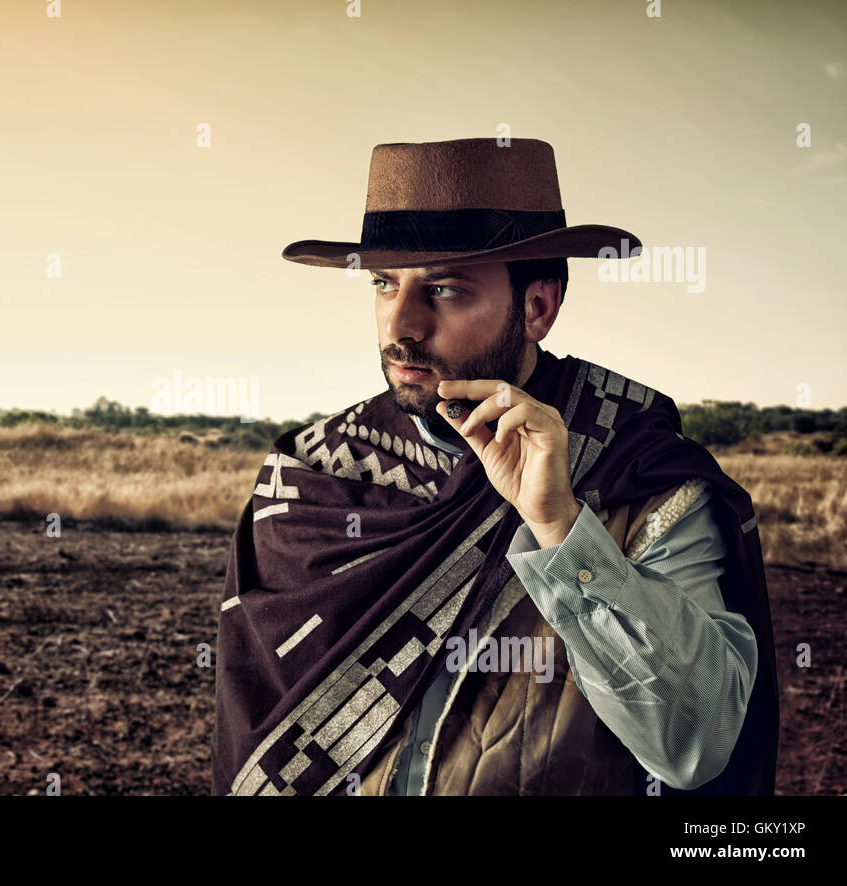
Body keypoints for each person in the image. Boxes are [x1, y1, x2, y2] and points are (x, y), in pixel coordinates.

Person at [210, 138, 778, 796]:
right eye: (385, 284)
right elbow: (257, 730)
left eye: (445, 289)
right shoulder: (310, 475)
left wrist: (561, 526)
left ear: (537, 307)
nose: (401, 325)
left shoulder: (643, 475)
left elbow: (697, 743)